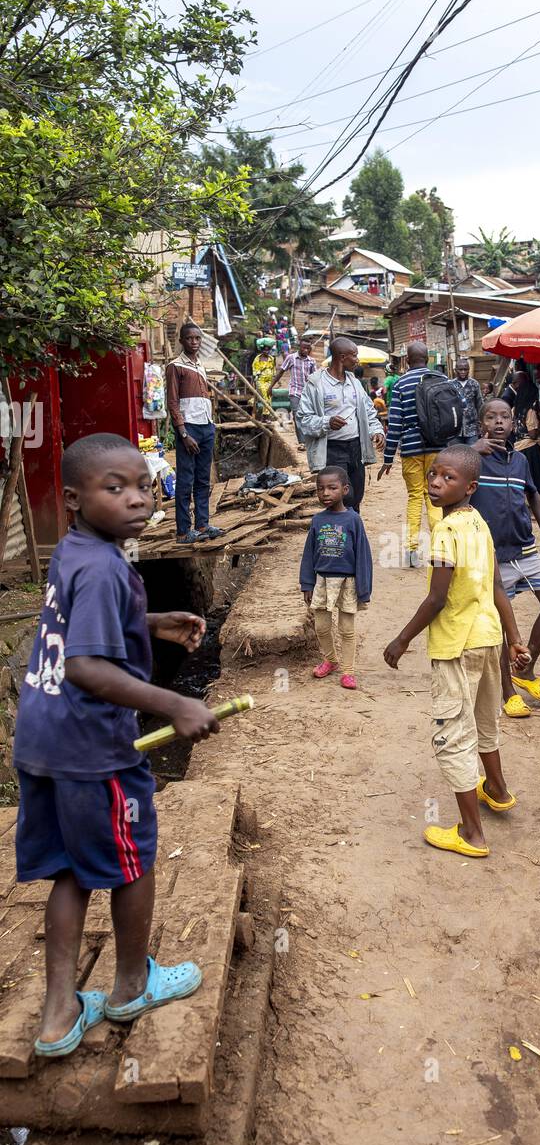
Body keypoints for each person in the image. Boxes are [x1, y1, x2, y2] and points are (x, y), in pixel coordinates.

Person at [12, 433, 221, 1057]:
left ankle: (57, 1014)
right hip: (90, 747)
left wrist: (150, 623)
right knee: (132, 858)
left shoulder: (77, 551)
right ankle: (131, 985)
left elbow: (73, 625)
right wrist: (175, 702)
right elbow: (86, 667)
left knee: (70, 871)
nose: (137, 501)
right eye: (116, 488)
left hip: (41, 736)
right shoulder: (106, 567)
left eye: (143, 487)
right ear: (74, 498)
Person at [383, 446, 530, 859]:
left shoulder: (446, 532)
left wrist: (402, 639)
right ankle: (497, 790)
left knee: (454, 733)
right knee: (485, 721)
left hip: (457, 645)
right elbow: (498, 587)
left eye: (447, 478)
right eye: (433, 475)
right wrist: (514, 637)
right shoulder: (479, 523)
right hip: (487, 639)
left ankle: (471, 833)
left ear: (470, 487)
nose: (434, 483)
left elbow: (436, 599)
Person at [472, 399, 540, 718]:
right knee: (498, 624)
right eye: (491, 416)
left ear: (514, 424)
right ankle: (508, 693)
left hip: (525, 548)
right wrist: (473, 449)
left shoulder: (521, 460)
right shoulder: (473, 459)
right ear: (481, 423)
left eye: (505, 417)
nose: (499, 422)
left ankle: (524, 670)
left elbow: (533, 496)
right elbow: (443, 470)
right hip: (493, 556)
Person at [300, 465, 373, 692]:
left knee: (346, 629)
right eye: (320, 489)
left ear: (345, 489)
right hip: (322, 581)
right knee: (321, 626)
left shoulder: (353, 520)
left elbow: (363, 555)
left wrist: (364, 588)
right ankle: (330, 660)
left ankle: (348, 671)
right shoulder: (317, 521)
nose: (326, 494)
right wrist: (307, 583)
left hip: (347, 582)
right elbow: (308, 554)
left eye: (332, 488)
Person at [297, 336, 385, 511]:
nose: (357, 360)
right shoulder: (316, 384)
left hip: (355, 447)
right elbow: (303, 420)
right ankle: (340, 533)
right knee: (343, 496)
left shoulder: (355, 383)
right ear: (342, 357)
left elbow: (369, 411)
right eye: (354, 355)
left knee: (357, 495)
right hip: (332, 449)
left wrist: (377, 430)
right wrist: (327, 422)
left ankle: (353, 531)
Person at [378, 341, 442, 567]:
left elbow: (394, 425)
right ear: (428, 358)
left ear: (406, 359)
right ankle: (439, 548)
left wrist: (387, 459)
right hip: (438, 449)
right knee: (435, 497)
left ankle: (412, 551)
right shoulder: (441, 380)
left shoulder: (401, 384)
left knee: (416, 495)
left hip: (411, 449)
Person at [166, 321, 224, 543]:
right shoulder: (175, 366)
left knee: (202, 480)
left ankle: (202, 524)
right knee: (185, 481)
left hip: (206, 427)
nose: (194, 342)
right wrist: (183, 433)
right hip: (188, 429)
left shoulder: (200, 365)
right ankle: (183, 531)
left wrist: (211, 426)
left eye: (197, 338)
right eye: (189, 338)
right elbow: (173, 402)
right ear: (181, 341)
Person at [501, 367, 540, 495]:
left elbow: (511, 428)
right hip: (530, 449)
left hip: (518, 447)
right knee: (534, 487)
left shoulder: (514, 409)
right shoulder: (530, 410)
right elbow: (532, 435)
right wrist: (539, 427)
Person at [273, 334, 316, 444]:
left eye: (308, 348)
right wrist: (271, 386)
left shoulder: (311, 361)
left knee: (307, 416)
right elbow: (281, 372)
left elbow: (315, 378)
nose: (306, 350)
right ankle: (302, 442)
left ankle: (308, 439)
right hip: (295, 392)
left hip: (307, 393)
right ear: (299, 347)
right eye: (304, 348)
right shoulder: (291, 358)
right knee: (297, 415)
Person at [453, 358, 484, 445]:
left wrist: (481, 424)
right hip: (456, 430)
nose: (463, 372)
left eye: (465, 369)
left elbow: (480, 404)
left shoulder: (474, 384)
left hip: (472, 429)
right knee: (456, 456)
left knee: (472, 454)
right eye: (460, 369)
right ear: (456, 370)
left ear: (468, 370)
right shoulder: (451, 385)